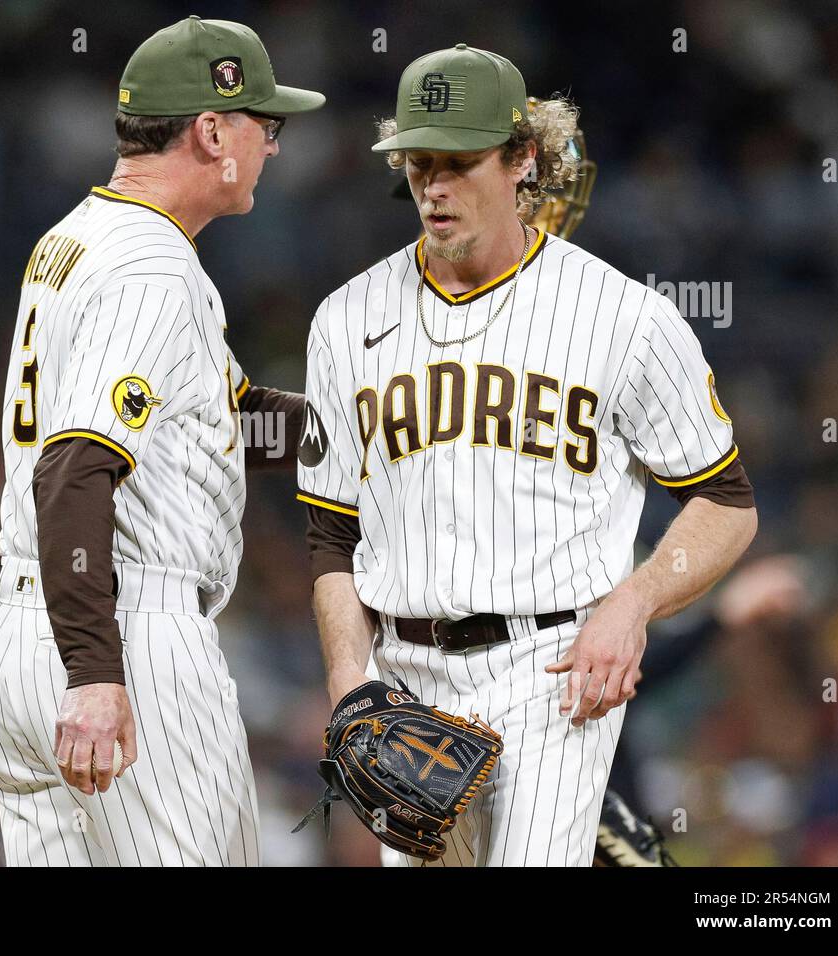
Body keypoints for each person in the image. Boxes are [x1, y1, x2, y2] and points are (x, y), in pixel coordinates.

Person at [297, 44, 757, 866]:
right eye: (417, 161)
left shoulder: (625, 317)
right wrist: (347, 681)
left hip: (556, 672)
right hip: (402, 682)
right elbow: (333, 532)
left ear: (522, 160)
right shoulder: (344, 319)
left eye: (460, 162)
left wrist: (633, 604)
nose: (433, 186)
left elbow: (725, 503)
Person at [0, 15, 321, 866]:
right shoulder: (151, 268)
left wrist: (380, 425)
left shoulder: (75, 239)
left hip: (26, 627)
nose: (273, 146)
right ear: (211, 130)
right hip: (123, 626)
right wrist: (96, 673)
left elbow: (226, 422)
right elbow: (73, 473)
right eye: (262, 124)